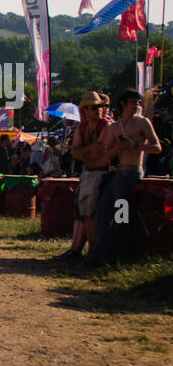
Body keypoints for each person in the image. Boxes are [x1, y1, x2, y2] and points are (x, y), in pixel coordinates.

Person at [91, 88, 163, 264]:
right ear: (123, 103)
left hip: (132, 171)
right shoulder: (114, 127)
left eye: (138, 102)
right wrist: (116, 147)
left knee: (121, 213)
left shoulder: (142, 123)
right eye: (133, 101)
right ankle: (104, 251)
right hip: (118, 173)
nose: (137, 105)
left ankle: (119, 254)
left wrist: (135, 144)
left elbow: (157, 147)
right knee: (102, 211)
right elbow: (106, 153)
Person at [56, 92, 111, 262]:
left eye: (101, 106)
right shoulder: (82, 127)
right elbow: (76, 153)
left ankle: (94, 251)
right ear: (85, 110)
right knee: (85, 214)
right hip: (88, 173)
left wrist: (84, 151)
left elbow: (99, 150)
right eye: (95, 107)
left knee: (93, 214)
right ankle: (86, 251)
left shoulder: (106, 126)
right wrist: (89, 150)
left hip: (103, 173)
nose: (99, 110)